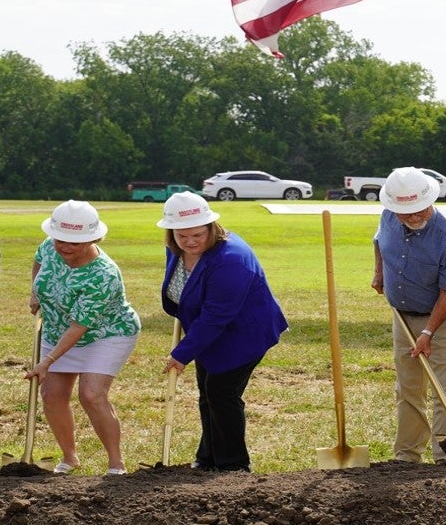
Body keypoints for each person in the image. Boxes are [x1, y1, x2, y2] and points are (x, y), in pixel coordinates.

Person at [158, 192, 288, 472]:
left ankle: (233, 465)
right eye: (183, 236)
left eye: (197, 235)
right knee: (208, 393)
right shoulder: (177, 249)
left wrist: (182, 354)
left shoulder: (232, 259)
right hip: (207, 334)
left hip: (242, 334)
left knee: (221, 393)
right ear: (172, 234)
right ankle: (207, 459)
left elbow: (217, 316)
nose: (191, 242)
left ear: (211, 227)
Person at [25, 201, 140, 475]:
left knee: (91, 395)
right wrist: (34, 292)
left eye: (74, 243)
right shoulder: (50, 246)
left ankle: (116, 464)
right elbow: (39, 261)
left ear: (94, 238)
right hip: (57, 328)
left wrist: (47, 361)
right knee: (51, 394)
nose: (65, 247)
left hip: (107, 333)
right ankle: (70, 457)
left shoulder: (103, 274)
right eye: (60, 240)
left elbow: (79, 327)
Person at [372, 167, 446, 463]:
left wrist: (428, 333)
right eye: (407, 213)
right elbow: (379, 241)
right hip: (403, 317)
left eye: (419, 210)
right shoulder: (388, 215)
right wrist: (379, 273)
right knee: (408, 388)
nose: (414, 217)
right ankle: (407, 457)